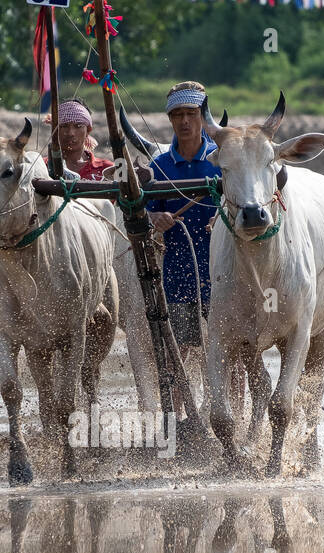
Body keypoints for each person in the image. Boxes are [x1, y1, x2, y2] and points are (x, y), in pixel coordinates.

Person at [146, 82, 221, 364]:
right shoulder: (160, 166)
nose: (185, 121)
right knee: (178, 354)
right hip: (178, 273)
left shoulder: (222, 160)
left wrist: (224, 217)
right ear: (170, 120)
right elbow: (144, 212)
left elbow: (243, 204)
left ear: (203, 117)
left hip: (223, 272)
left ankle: (236, 408)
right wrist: (154, 218)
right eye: (177, 114)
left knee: (232, 353)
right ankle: (175, 409)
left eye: (191, 113)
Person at [53, 98, 113, 180]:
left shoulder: (108, 169)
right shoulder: (41, 166)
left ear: (88, 131)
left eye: (78, 126)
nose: (71, 133)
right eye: (64, 126)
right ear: (55, 131)